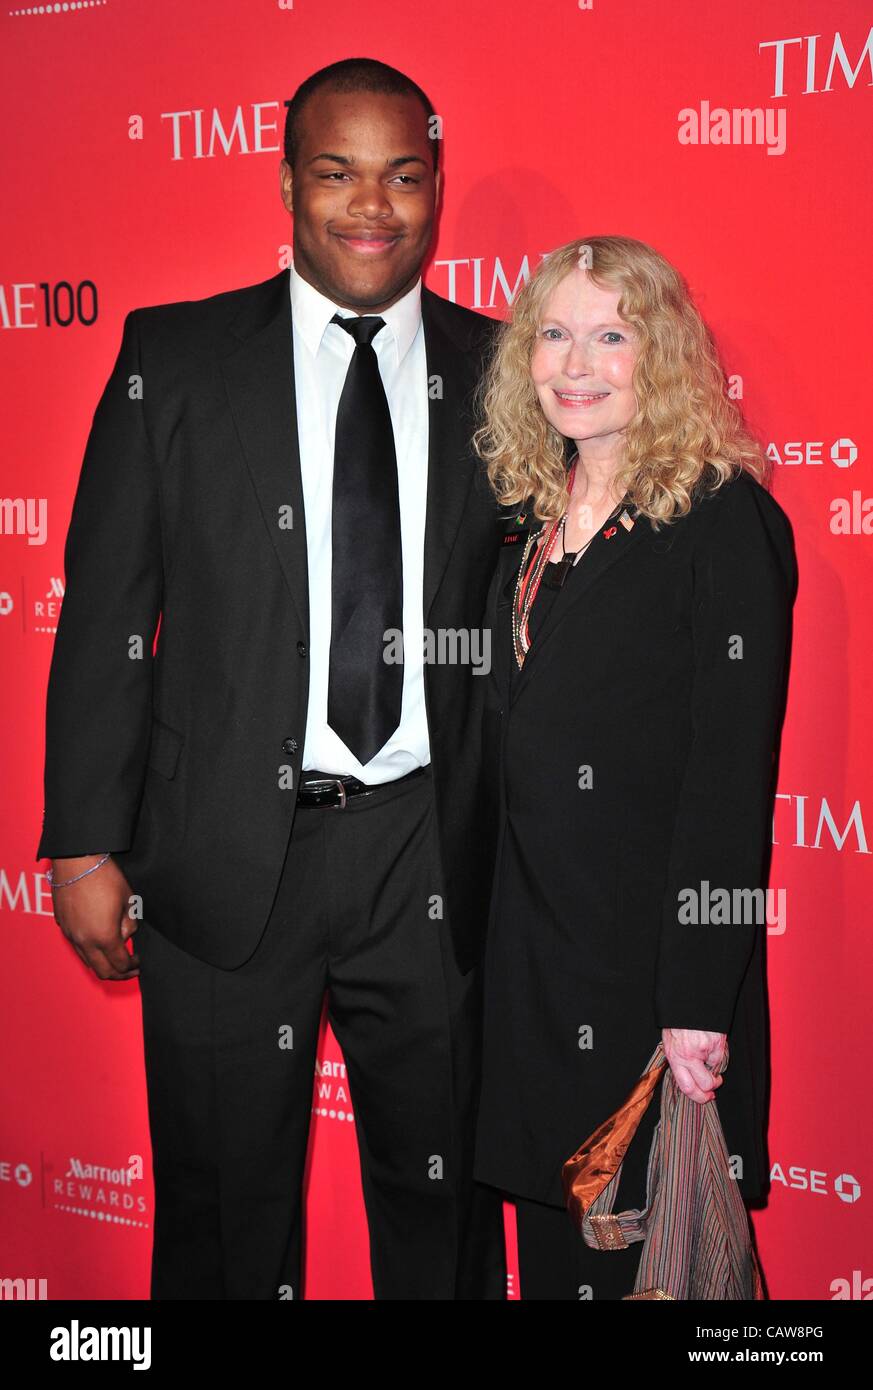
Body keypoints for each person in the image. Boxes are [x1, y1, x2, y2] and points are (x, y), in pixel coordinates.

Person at [36, 57, 506, 1301]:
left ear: (437, 187)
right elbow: (107, 615)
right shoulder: (175, 359)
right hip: (222, 851)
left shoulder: (507, 373)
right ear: (289, 183)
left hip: (431, 854)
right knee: (222, 1214)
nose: (373, 206)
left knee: (445, 1210)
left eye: (403, 176)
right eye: (338, 172)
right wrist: (84, 842)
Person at [471, 235, 797, 1300]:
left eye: (610, 335)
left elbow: (728, 779)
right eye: (554, 334)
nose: (577, 362)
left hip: (647, 985)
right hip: (527, 974)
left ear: (659, 354)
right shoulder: (525, 524)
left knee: (644, 1276)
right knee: (557, 1270)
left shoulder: (721, 519)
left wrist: (699, 999)